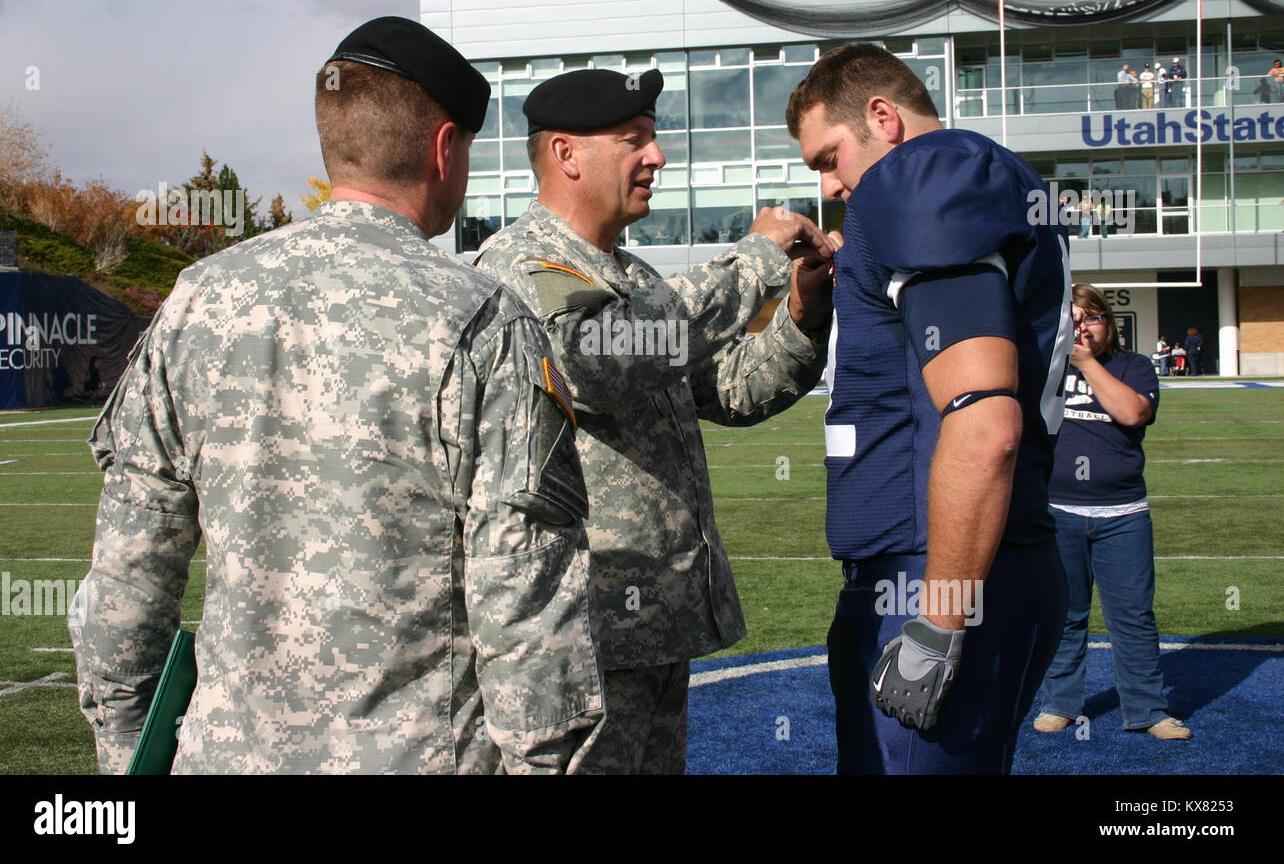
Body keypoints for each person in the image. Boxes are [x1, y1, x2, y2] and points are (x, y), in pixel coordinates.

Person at [68, 16, 604, 774]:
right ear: (445, 148)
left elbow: (126, 581)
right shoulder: (485, 317)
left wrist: (127, 755)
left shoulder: (196, 301)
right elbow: (527, 610)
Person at [475, 68, 836, 774]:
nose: (657, 156)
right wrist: (756, 258)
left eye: (654, 138)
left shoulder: (634, 278)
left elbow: (729, 390)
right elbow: (603, 364)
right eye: (634, 139)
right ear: (567, 155)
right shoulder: (522, 263)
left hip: (653, 627)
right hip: (582, 636)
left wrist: (803, 312)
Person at [786, 42, 1073, 774]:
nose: (830, 184)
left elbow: (985, 426)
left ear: (882, 118)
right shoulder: (944, 187)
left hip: (940, 575)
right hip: (947, 564)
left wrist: (939, 624)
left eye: (828, 157)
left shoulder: (922, 175)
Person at [1034, 285, 1191, 741]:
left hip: (1124, 514)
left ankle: (1147, 709)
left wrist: (1085, 364)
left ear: (1110, 323)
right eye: (1074, 318)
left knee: (1133, 616)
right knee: (1065, 614)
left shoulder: (1133, 367)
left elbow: (1132, 412)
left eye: (1093, 318)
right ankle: (1060, 702)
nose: (1083, 326)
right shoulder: (1047, 366)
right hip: (1059, 511)